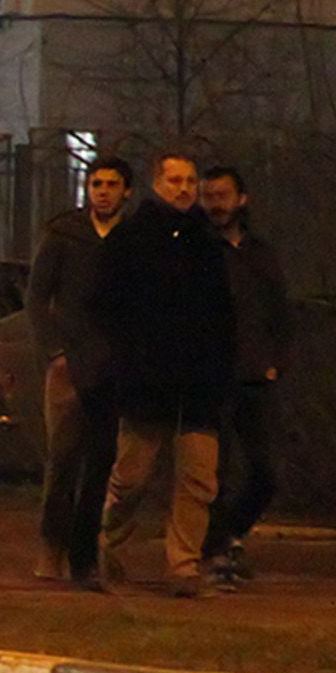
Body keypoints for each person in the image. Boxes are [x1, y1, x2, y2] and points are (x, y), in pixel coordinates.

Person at [96, 149, 237, 597]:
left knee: (198, 480)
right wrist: (126, 361)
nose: (184, 189)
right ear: (157, 184)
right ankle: (107, 544)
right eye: (175, 181)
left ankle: (183, 565)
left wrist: (220, 368)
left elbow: (222, 313)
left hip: (197, 386)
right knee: (132, 477)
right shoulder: (131, 239)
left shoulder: (206, 243)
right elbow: (106, 307)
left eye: (190, 181)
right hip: (145, 382)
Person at [27, 159, 130, 581]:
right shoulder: (64, 234)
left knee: (102, 461)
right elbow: (37, 297)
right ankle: (51, 546)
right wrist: (55, 352)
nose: (103, 191)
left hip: (112, 365)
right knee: (63, 458)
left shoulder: (131, 239)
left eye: (111, 184)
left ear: (126, 191)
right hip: (69, 363)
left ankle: (85, 556)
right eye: (96, 184)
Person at [202, 164, 295, 582]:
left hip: (257, 376)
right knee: (214, 473)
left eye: (222, 196)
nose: (215, 204)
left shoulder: (261, 252)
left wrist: (277, 361)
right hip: (212, 377)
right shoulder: (199, 251)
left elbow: (280, 311)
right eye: (209, 196)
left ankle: (231, 534)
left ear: (242, 199)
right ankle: (216, 552)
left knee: (266, 472)